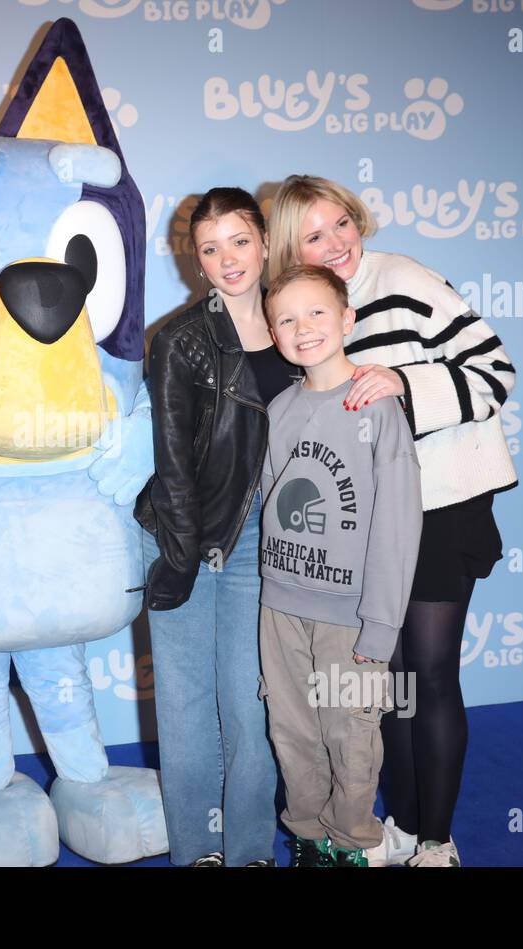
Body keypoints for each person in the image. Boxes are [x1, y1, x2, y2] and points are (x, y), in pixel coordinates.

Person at [267, 175, 519, 867]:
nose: (336, 242)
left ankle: (436, 841)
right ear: (292, 245)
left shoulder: (403, 275)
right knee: (392, 677)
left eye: (342, 223)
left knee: (430, 672)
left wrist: (407, 383)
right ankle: (401, 826)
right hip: (372, 522)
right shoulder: (307, 303)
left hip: (443, 500)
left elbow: (496, 370)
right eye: (314, 234)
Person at [134, 187, 300, 867]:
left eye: (238, 241)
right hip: (186, 532)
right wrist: (184, 553)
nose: (227, 259)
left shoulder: (298, 324)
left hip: (265, 535)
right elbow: (171, 461)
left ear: (263, 241)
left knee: (251, 699)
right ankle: (198, 852)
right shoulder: (179, 339)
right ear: (196, 262)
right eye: (210, 248)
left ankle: (252, 850)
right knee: (186, 704)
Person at [257, 264, 421, 867]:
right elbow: (271, 507)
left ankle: (354, 843)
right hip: (280, 610)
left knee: (350, 734)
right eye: (286, 319)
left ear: (348, 318)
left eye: (317, 313)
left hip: (350, 618)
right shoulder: (278, 410)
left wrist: (380, 626)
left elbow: (399, 525)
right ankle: (309, 838)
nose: (303, 329)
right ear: (273, 333)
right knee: (292, 733)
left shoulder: (376, 409)